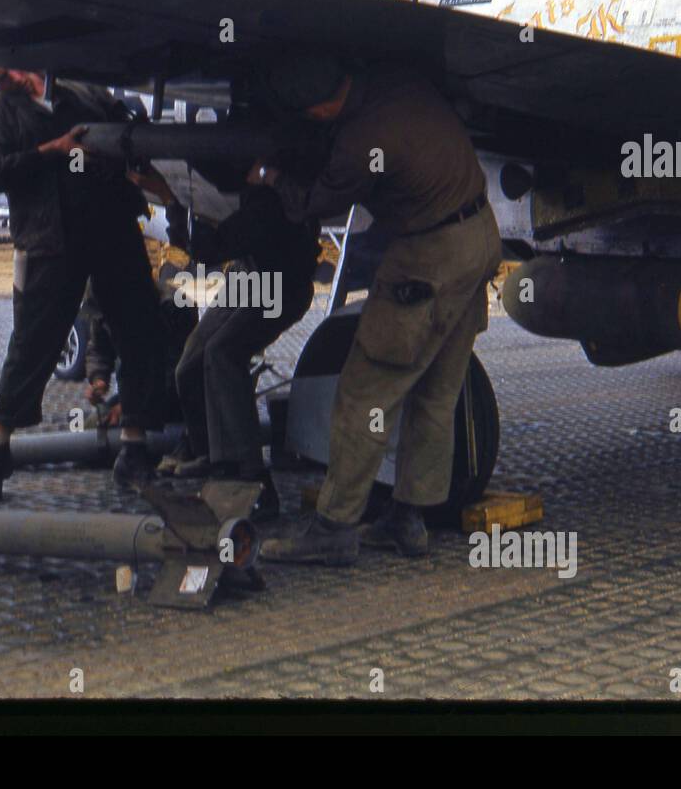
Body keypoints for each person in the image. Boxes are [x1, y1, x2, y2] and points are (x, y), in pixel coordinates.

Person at [254, 54, 502, 564]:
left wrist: (270, 176)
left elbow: (312, 205)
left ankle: (334, 528)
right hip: (479, 237)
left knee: (364, 395)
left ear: (320, 111)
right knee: (436, 391)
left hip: (429, 257)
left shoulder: (358, 143)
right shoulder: (401, 78)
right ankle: (409, 520)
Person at [0, 63, 165, 499]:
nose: (2, 78)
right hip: (51, 240)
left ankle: (134, 450)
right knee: (33, 343)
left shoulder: (85, 88)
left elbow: (125, 129)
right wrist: (49, 150)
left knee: (140, 331)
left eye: (3, 68)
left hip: (111, 227)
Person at [156, 184, 320, 522]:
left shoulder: (267, 201)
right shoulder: (256, 191)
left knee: (222, 353)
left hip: (279, 284)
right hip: (249, 275)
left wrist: (170, 200)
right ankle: (210, 451)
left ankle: (251, 476)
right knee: (190, 363)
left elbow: (208, 249)